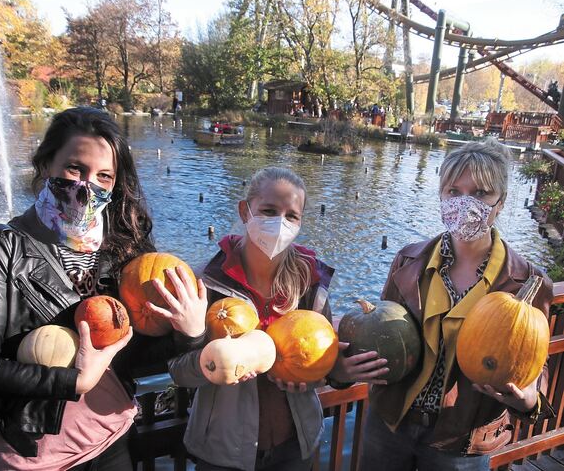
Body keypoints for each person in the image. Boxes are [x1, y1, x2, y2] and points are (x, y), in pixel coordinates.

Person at [0, 107, 207, 470]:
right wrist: (74, 381)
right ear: (46, 165)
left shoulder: (123, 249)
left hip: (111, 440)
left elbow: (132, 353)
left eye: (104, 176)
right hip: (33, 456)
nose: (88, 186)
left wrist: (189, 334)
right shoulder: (0, 250)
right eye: (76, 169)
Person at [166, 166, 385, 471]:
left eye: (291, 216)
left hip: (294, 447)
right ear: (245, 211)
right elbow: (179, 372)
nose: (279, 223)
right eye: (268, 211)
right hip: (223, 451)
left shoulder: (310, 281)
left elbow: (321, 356)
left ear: (300, 222)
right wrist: (209, 358)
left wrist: (338, 371)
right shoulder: (207, 281)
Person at [360, 138, 554, 471]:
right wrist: (344, 368)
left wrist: (529, 400)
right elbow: (379, 330)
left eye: (480, 193)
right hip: (389, 423)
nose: (465, 203)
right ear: (441, 195)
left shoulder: (527, 282)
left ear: (501, 202)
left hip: (461, 441)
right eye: (454, 191)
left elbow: (534, 363)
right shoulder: (408, 260)